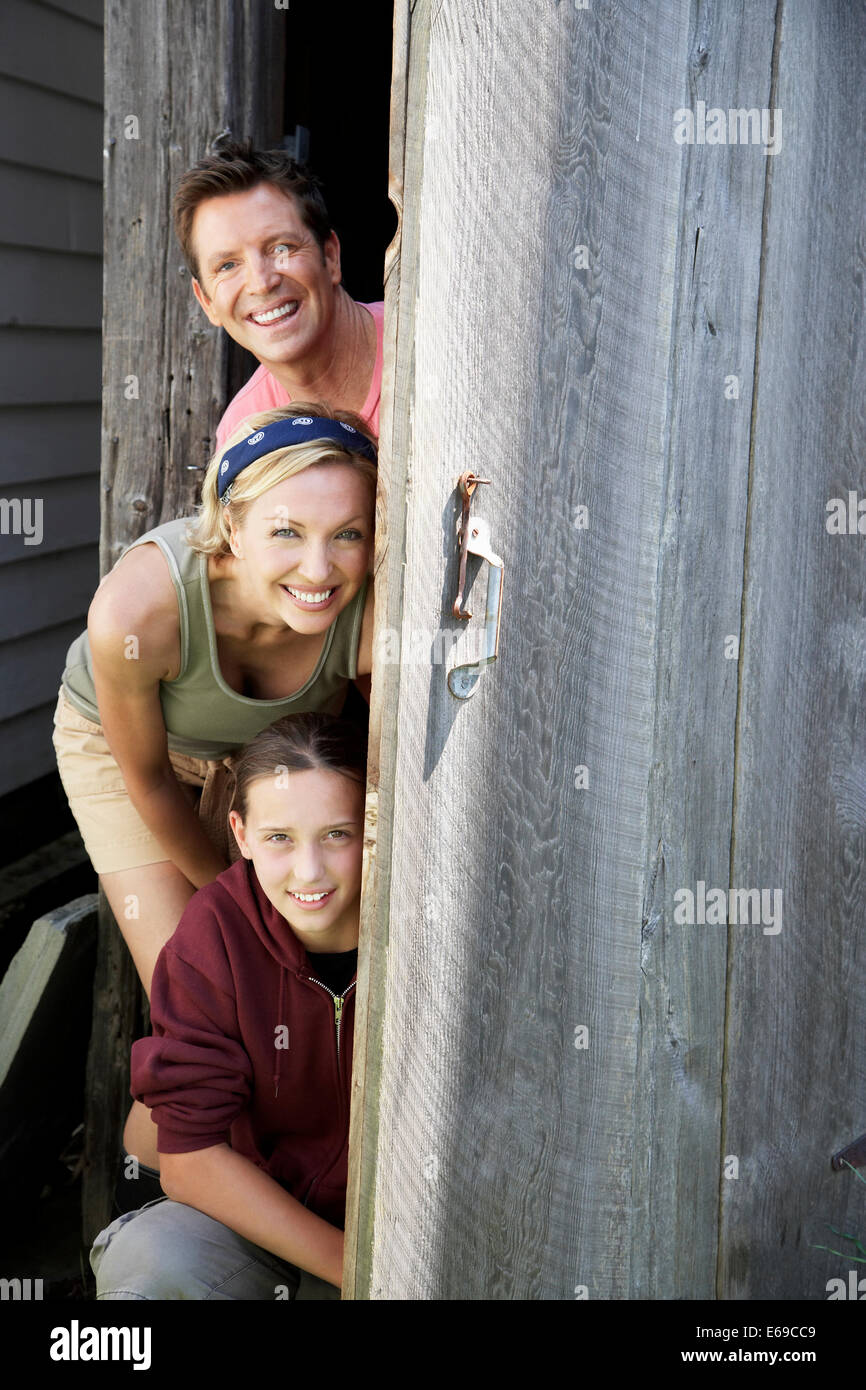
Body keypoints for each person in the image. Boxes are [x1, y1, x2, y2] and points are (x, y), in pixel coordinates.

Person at [52, 404, 376, 1189]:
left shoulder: (370, 615)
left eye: (349, 534)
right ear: (230, 528)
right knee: (200, 973)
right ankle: (188, 1166)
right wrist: (234, 906)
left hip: (268, 764)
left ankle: (310, 1174)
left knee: (306, 945)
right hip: (133, 754)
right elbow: (149, 780)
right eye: (287, 532)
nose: (320, 568)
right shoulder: (139, 610)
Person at [89, 712, 366, 1299]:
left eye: (337, 833)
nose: (309, 871)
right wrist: (361, 1274)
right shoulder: (215, 931)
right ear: (240, 834)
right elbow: (189, 1158)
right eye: (279, 838)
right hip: (257, 1219)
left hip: (399, 1224)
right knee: (149, 1263)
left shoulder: (426, 928)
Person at [171, 137, 384, 450]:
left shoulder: (431, 346)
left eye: (281, 248)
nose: (261, 283)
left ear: (331, 257)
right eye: (228, 265)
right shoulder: (242, 438)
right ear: (206, 302)